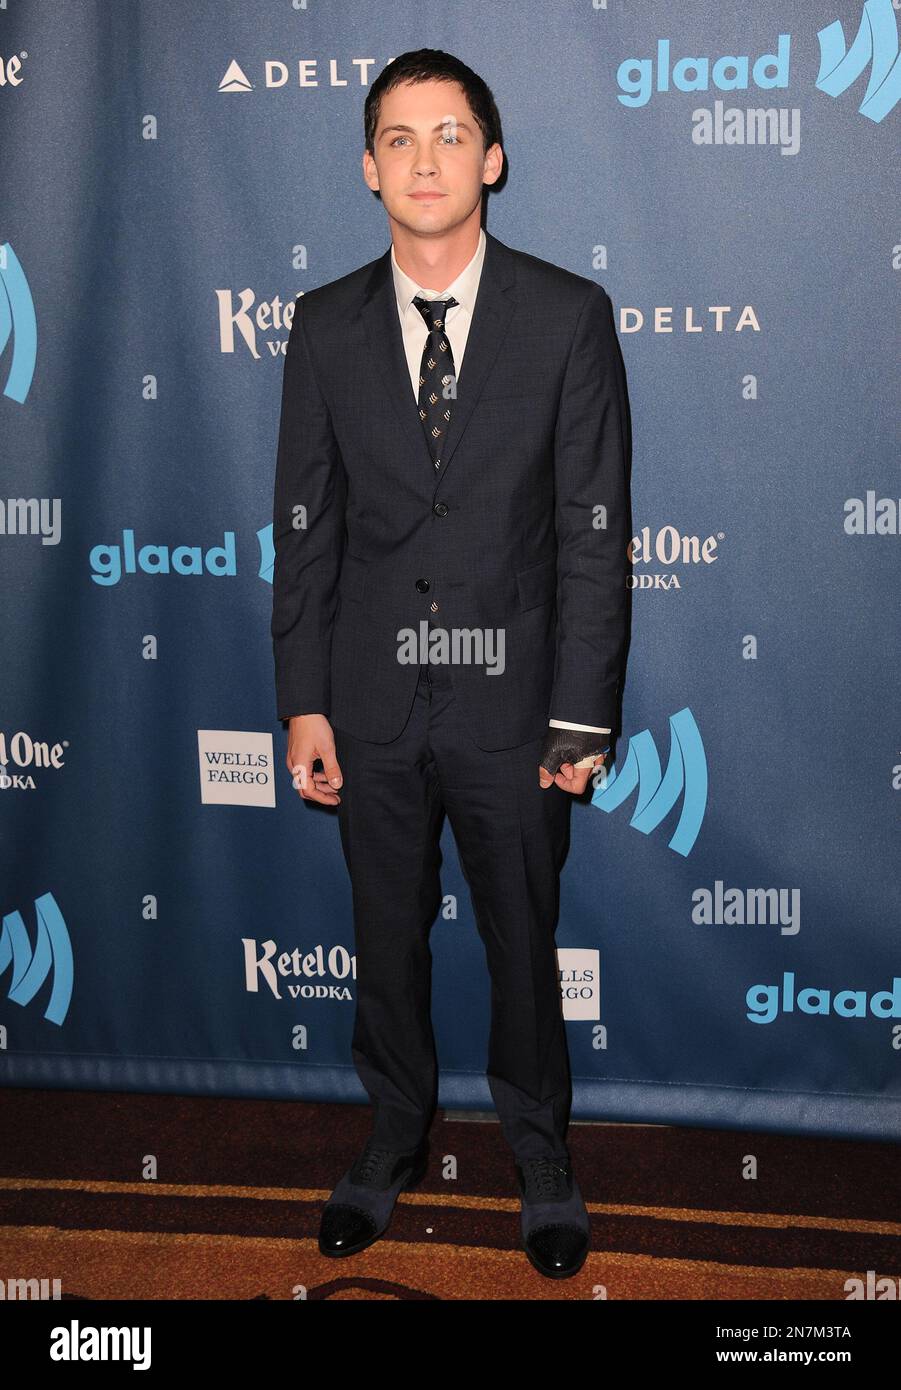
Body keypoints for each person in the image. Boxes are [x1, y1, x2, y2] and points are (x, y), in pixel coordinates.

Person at [271, 48, 631, 1280]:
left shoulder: (569, 315)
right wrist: (303, 701)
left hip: (517, 709)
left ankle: (539, 1157)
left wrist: (580, 718)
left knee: (521, 943)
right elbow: (305, 529)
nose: (425, 160)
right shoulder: (321, 327)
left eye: (449, 135)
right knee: (385, 940)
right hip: (369, 707)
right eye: (399, 138)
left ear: (492, 158)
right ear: (369, 167)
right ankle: (389, 1139)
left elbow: (593, 535)